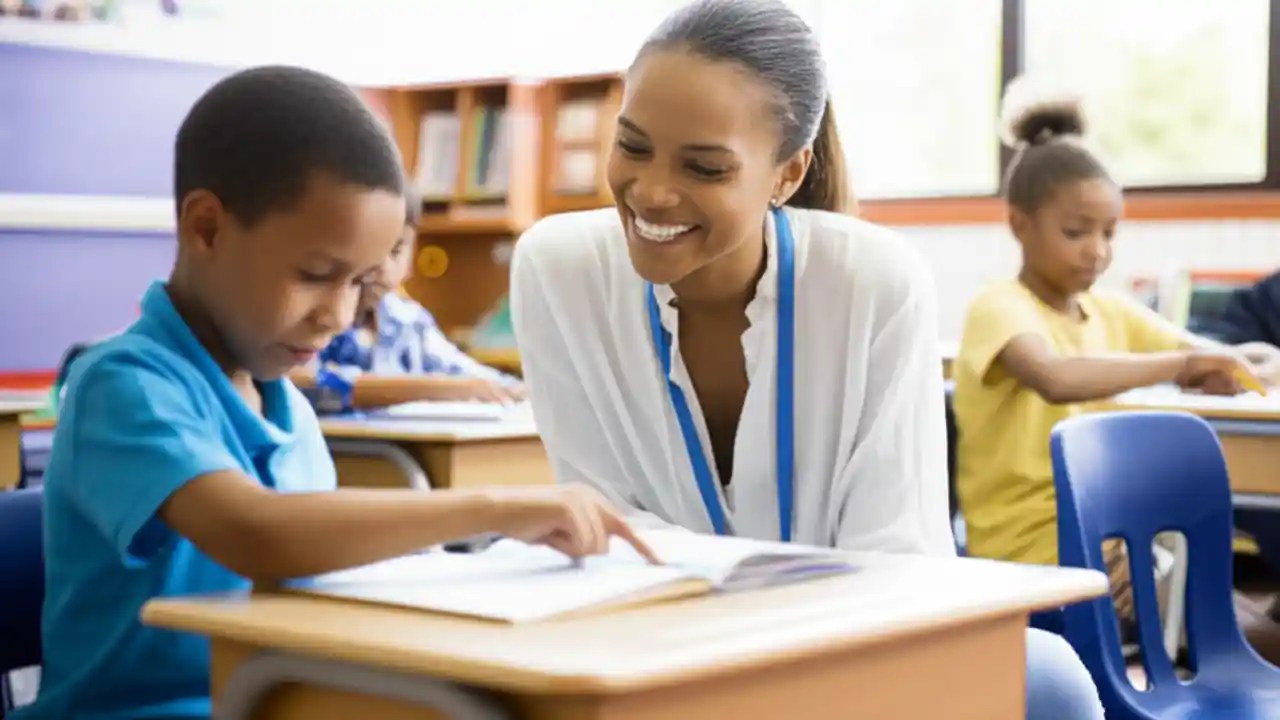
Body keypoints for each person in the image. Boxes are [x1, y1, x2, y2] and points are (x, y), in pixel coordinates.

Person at [510, 1, 1104, 717]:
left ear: (788, 175)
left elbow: (898, 555)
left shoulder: (874, 282)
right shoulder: (556, 267)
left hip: (851, 644)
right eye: (633, 147)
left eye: (704, 166)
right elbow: (604, 523)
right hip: (648, 644)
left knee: (1053, 677)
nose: (652, 191)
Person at [16, 66, 652, 720]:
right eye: (318, 275)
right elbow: (257, 535)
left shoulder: (282, 402)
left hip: (281, 695)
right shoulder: (121, 384)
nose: (341, 315)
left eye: (361, 284)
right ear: (206, 228)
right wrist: (495, 507)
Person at [952, 80, 1278, 625]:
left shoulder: (1108, 310)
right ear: (1019, 224)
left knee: (1238, 618)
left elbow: (1220, 353)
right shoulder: (999, 307)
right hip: (1030, 557)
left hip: (1108, 534)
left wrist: (1246, 361)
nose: (1098, 250)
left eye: (1109, 232)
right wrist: (1182, 367)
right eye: (1076, 232)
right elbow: (1053, 376)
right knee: (1228, 625)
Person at [292, 196, 525, 411]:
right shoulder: (316, 316)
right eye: (370, 247)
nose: (382, 266)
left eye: (395, 250)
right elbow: (300, 384)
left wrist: (515, 392)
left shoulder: (407, 320)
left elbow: (473, 378)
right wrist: (437, 390)